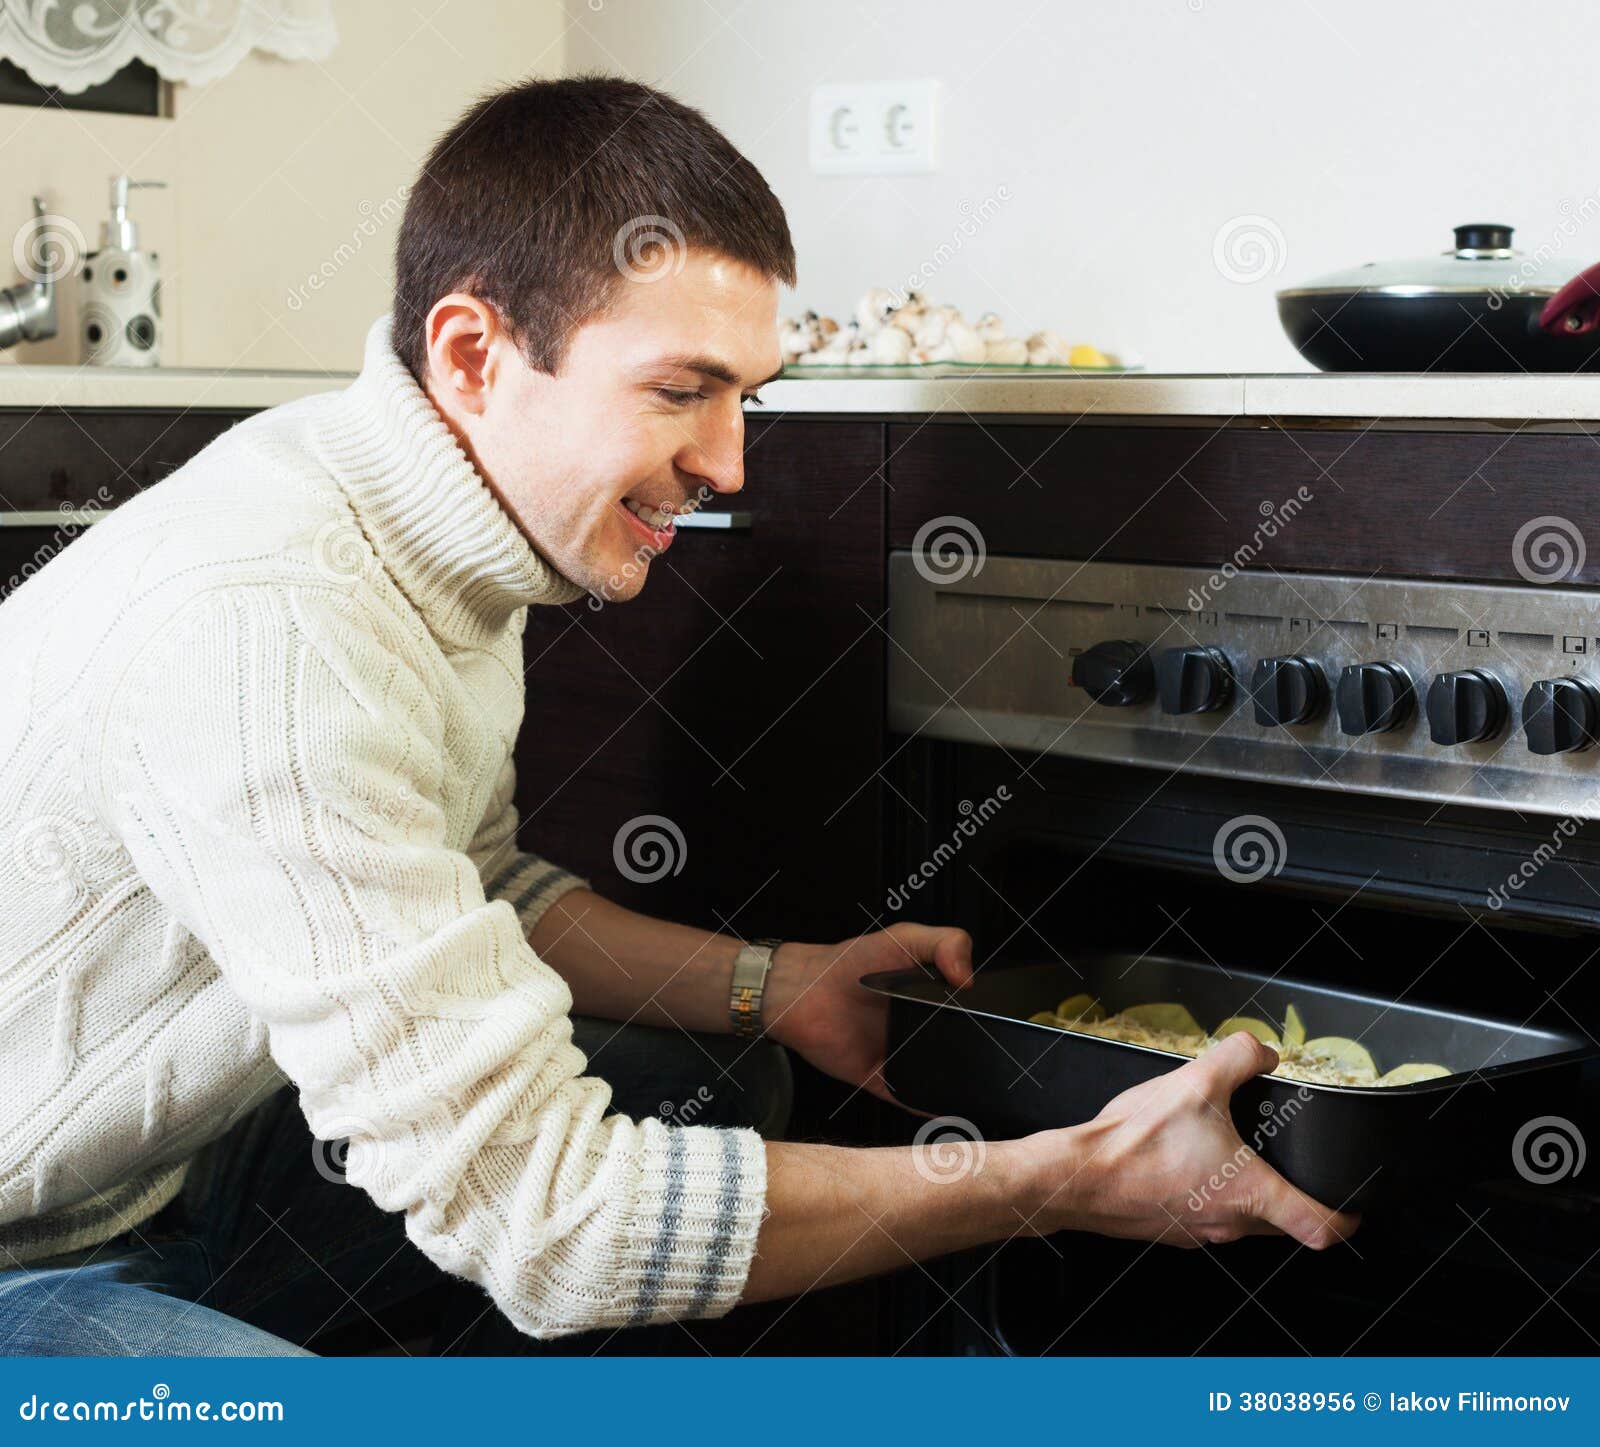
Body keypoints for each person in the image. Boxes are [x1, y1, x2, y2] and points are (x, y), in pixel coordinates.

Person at [0, 74, 1357, 1357]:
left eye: (745, 398)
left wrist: (777, 988)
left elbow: (466, 890)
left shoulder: (425, 525)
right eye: (681, 392)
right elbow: (558, 1225)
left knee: (681, 1073)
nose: (725, 462)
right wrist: (1067, 1179)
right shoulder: (281, 625)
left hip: (171, 1167)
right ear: (473, 352)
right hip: (30, 1251)